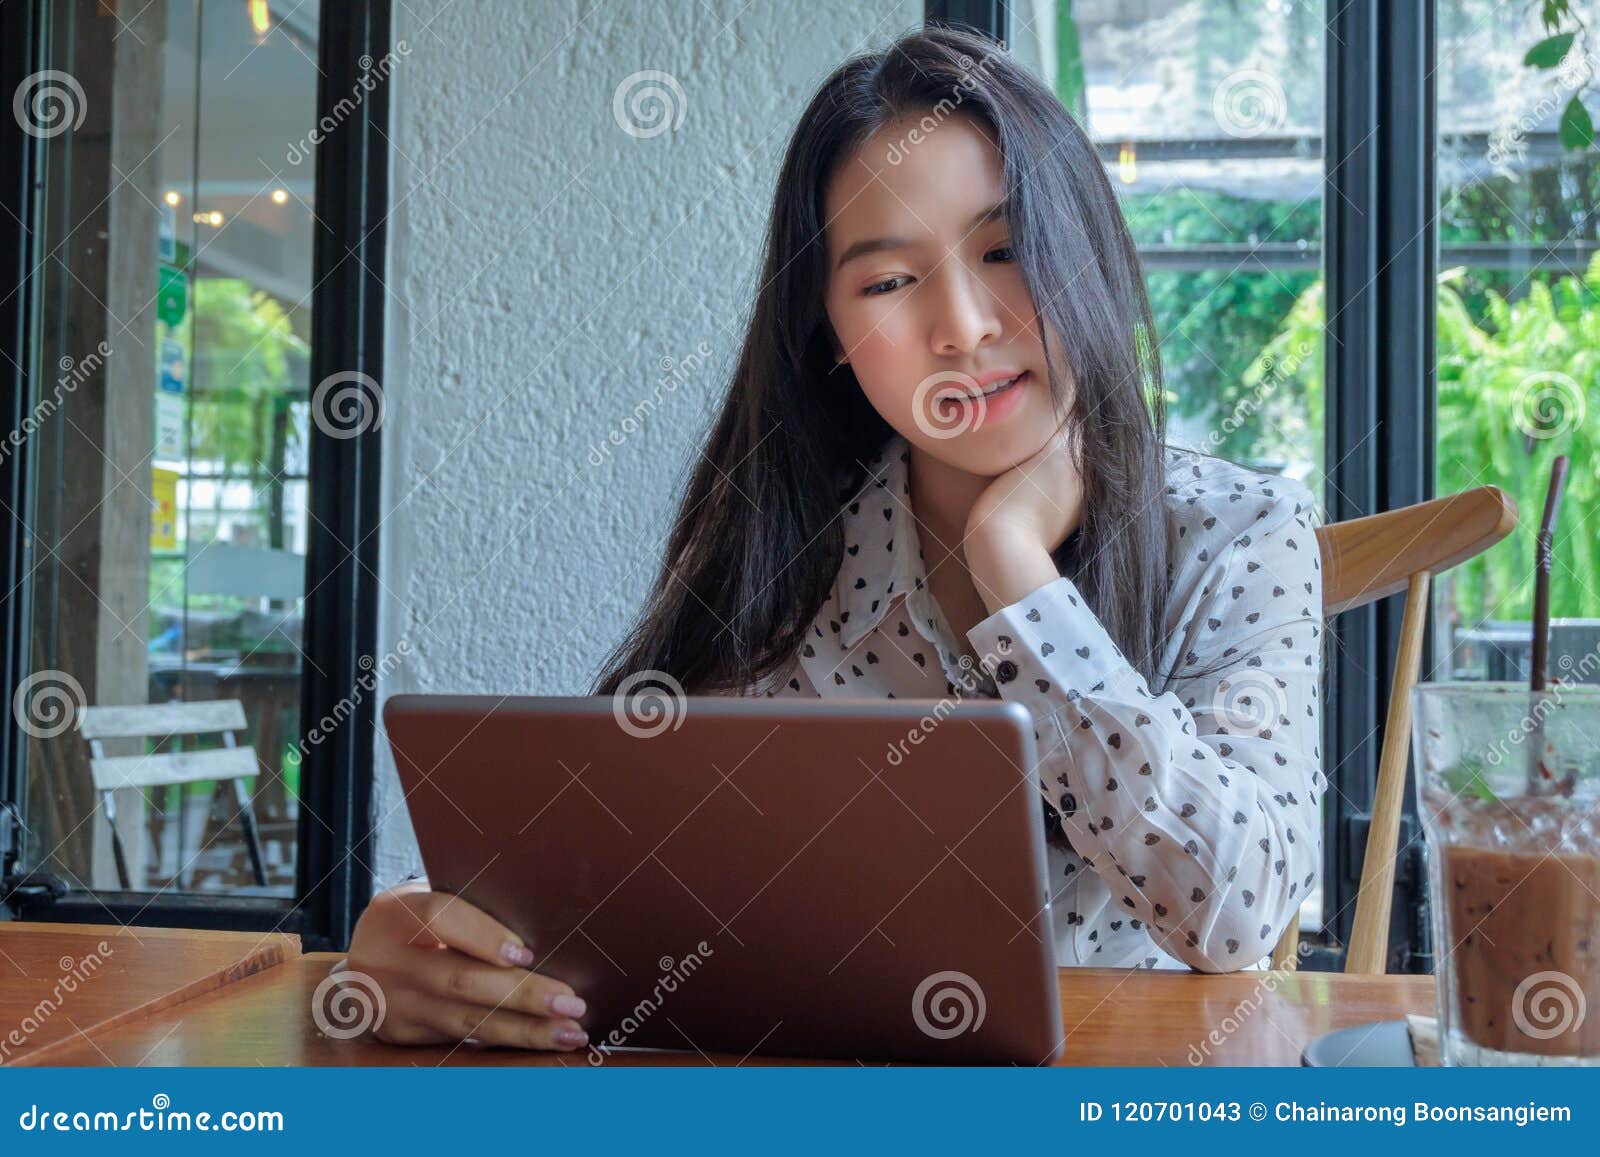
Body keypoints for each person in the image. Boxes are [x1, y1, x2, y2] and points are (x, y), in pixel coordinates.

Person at [339, 24, 1326, 1052]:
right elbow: (629, 860)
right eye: (888, 281)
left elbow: (1239, 912)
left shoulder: (1240, 530)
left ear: (1087, 250)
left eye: (1004, 249)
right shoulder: (790, 544)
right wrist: (425, 927)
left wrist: (1016, 571)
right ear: (832, 338)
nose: (963, 325)